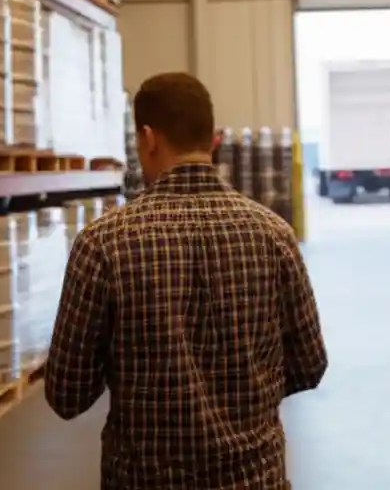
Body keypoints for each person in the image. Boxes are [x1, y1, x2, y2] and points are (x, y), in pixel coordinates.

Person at [46, 72, 328, 489]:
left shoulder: (103, 243)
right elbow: (309, 365)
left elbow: (67, 394)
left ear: (148, 137)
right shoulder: (273, 234)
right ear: (211, 139)